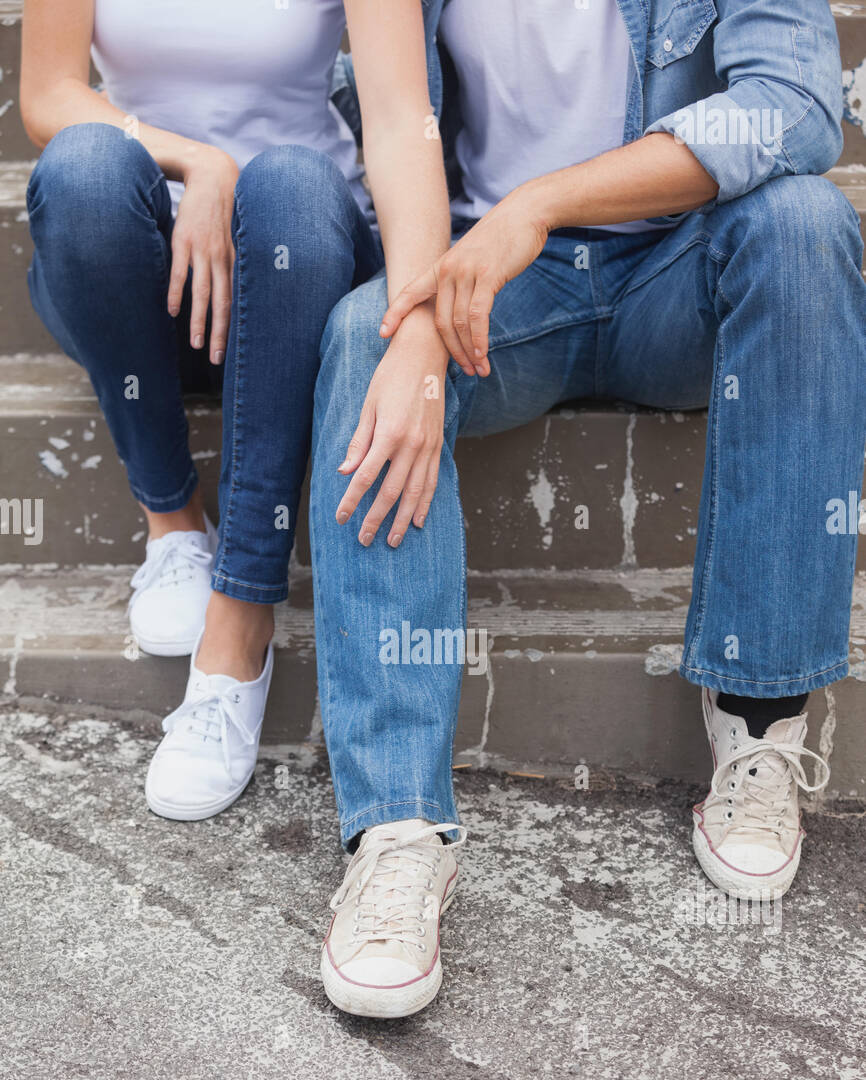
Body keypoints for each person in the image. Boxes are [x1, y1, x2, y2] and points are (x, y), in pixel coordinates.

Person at [311, 0, 866, 1017]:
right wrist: (422, 320)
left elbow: (791, 108)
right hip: (494, 288)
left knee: (804, 223)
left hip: (675, 273)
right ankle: (397, 828)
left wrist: (545, 202)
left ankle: (756, 721)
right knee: (362, 339)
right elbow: (397, 122)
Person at [21, 0, 450, 820]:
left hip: (300, 268)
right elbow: (46, 95)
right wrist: (200, 164)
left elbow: (401, 117)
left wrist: (419, 317)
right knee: (83, 168)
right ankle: (174, 524)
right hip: (142, 275)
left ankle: (239, 624)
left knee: (285, 181)